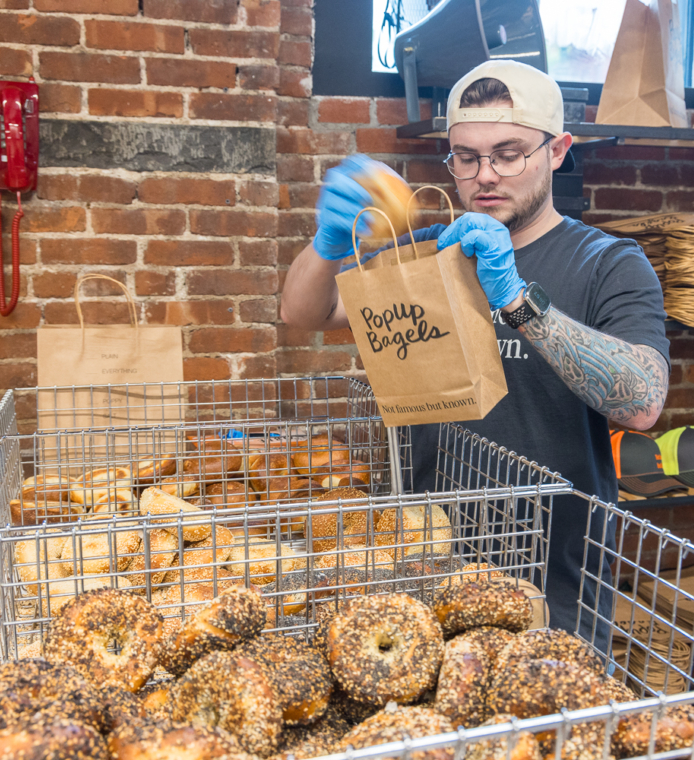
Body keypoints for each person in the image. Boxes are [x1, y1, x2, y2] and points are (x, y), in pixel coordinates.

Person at [280, 60, 669, 648]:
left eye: (508, 154)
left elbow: (641, 402)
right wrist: (326, 245)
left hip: (551, 580)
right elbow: (306, 313)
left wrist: (514, 298)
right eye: (466, 157)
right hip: (423, 564)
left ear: (557, 150)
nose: (485, 176)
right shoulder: (431, 250)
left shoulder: (608, 263)